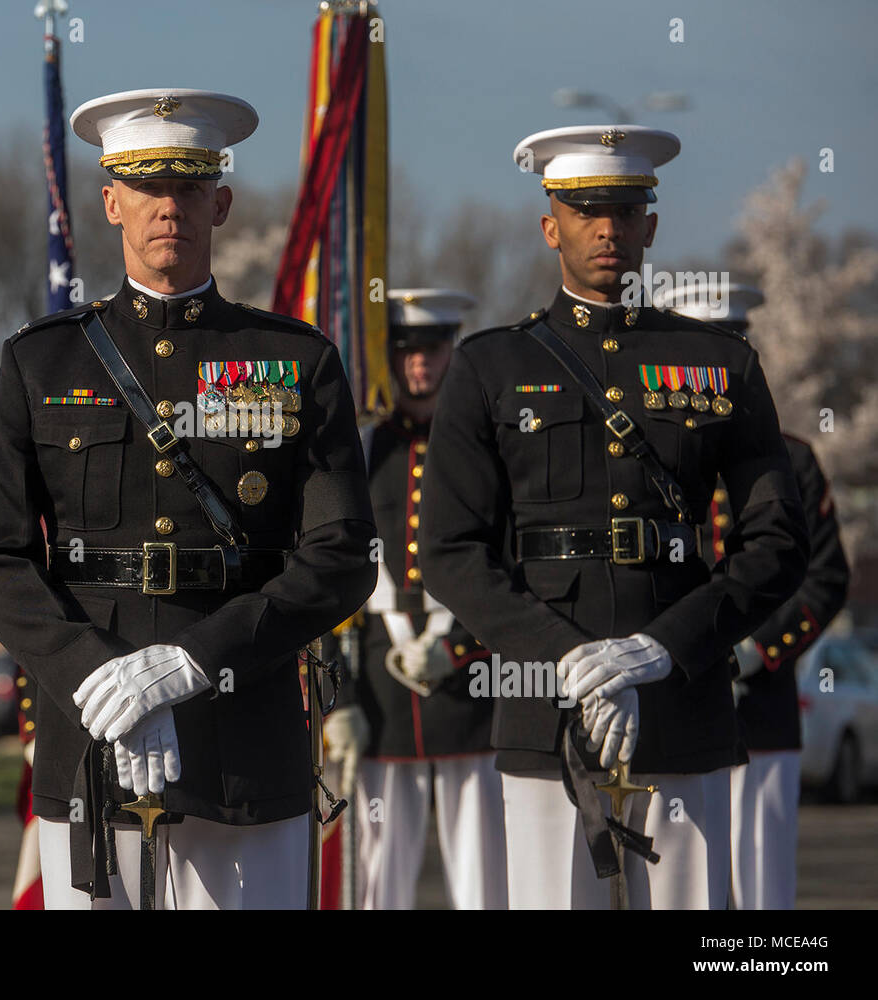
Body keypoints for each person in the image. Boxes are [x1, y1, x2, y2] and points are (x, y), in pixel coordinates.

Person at [0, 89, 377, 910]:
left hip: (244, 746)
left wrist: (191, 662)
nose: (168, 208)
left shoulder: (295, 360)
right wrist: (98, 675)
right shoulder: (41, 365)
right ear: (111, 202)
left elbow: (343, 555)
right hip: (92, 740)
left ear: (220, 202)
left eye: (188, 187)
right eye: (146, 187)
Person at [419, 125, 809, 909]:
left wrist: (660, 650)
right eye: (587, 210)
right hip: (545, 702)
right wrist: (567, 657)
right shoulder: (492, 366)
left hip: (681, 699)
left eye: (627, 211)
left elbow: (778, 540)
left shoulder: (720, 364)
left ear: (651, 226)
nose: (608, 229)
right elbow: (452, 551)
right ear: (549, 224)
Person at [653, 279, 850, 909]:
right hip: (674, 709)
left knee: (762, 897)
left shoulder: (792, 462)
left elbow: (824, 579)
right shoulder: (646, 465)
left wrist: (756, 651)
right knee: (680, 889)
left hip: (760, 714)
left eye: (734, 342)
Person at [324, 288, 507, 909]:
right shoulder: (362, 451)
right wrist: (337, 701)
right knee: (376, 882)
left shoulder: (487, 449)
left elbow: (508, 566)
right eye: (406, 352)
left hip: (472, 687)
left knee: (486, 876)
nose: (419, 365)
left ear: (452, 350)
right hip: (380, 688)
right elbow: (327, 576)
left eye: (432, 350)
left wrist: (457, 647)